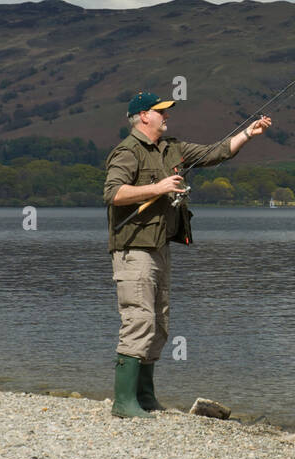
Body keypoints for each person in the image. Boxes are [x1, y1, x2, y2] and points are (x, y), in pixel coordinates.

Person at [103, 92, 270, 418]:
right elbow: (114, 193)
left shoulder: (174, 148)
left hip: (160, 247)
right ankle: (124, 402)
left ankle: (145, 397)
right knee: (138, 319)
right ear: (143, 116)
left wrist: (248, 134)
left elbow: (216, 153)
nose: (167, 116)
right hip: (133, 249)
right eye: (161, 111)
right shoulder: (127, 151)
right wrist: (159, 188)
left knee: (158, 323)